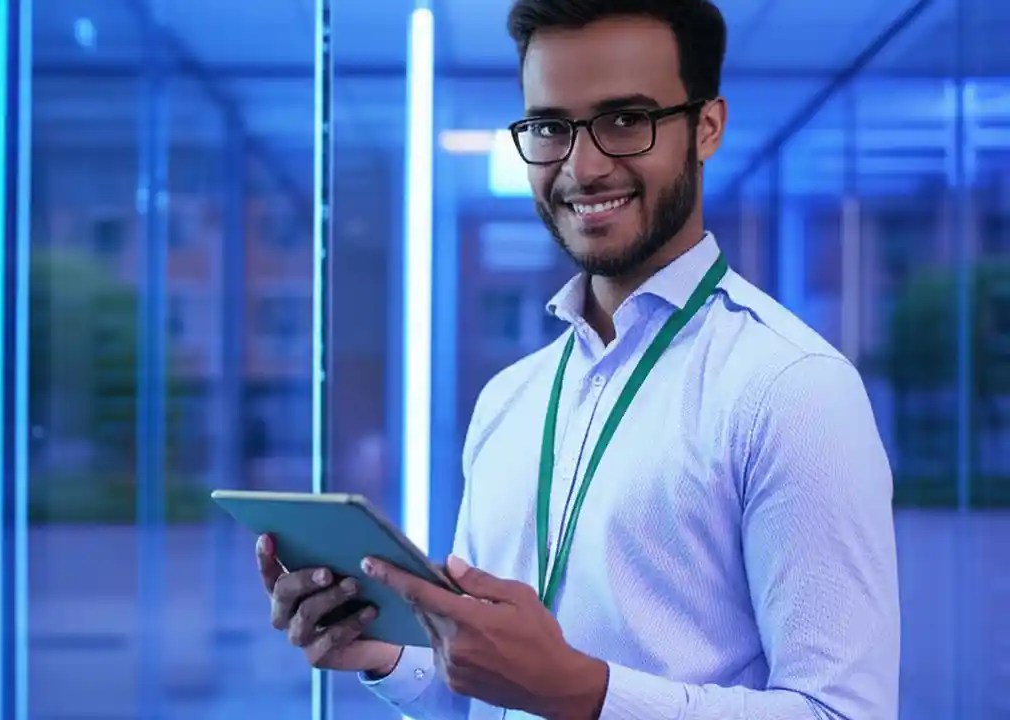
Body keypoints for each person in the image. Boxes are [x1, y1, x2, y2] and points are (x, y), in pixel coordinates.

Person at [256, 0, 901, 717]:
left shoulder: (792, 389)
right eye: (550, 127)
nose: (582, 166)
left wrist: (582, 692)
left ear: (706, 127)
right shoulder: (511, 397)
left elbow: (843, 712)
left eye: (626, 120)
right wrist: (382, 653)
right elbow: (487, 690)